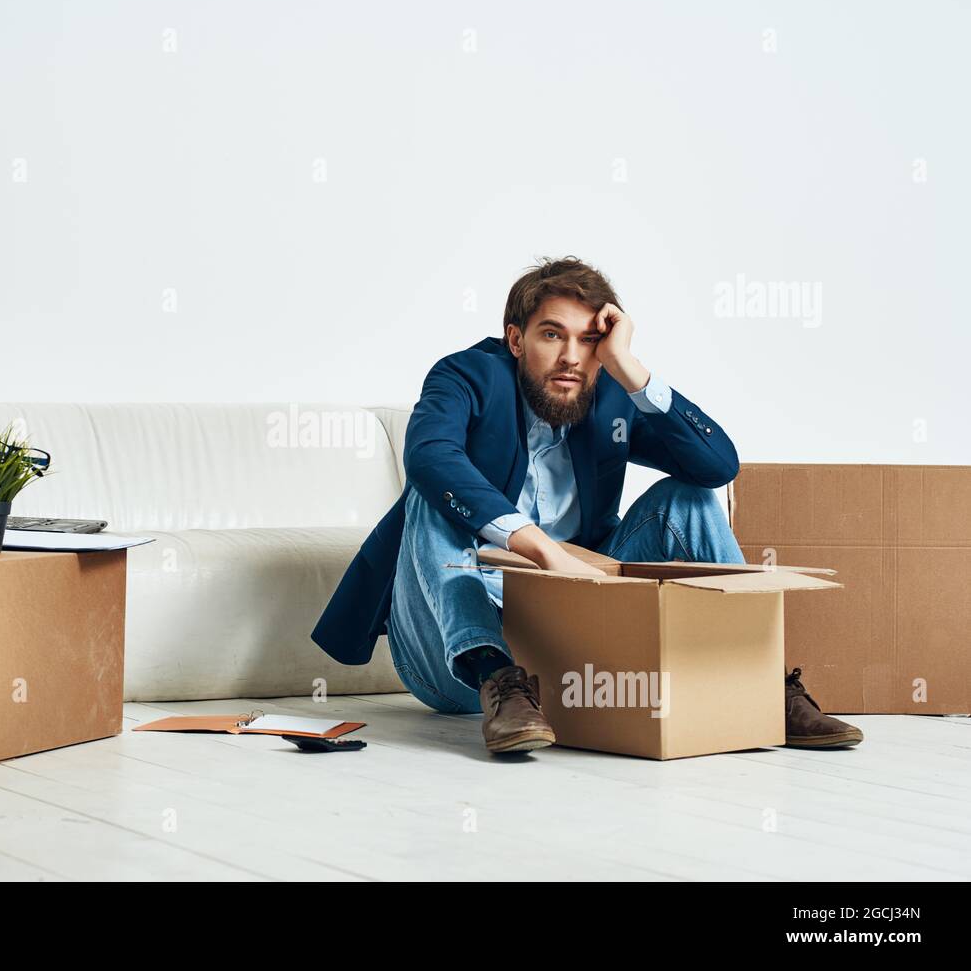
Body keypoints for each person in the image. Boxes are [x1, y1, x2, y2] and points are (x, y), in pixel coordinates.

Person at [312, 257, 863, 755]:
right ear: (515, 338)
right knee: (433, 496)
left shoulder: (606, 398)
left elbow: (717, 466)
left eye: (587, 341)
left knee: (689, 498)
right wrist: (543, 550)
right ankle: (498, 679)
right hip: (447, 659)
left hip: (564, 650)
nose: (571, 357)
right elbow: (430, 456)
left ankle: (762, 689)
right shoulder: (467, 376)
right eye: (552, 335)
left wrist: (628, 367)